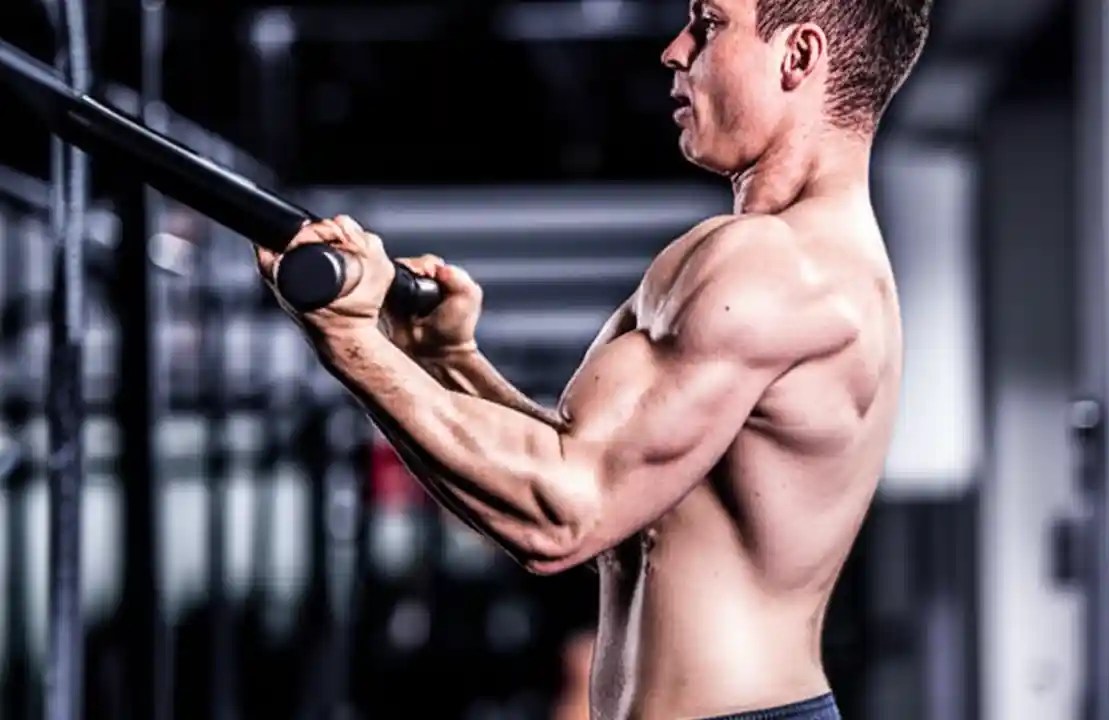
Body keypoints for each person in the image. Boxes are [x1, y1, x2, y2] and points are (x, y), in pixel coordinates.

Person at [256, 0, 930, 717]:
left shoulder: (772, 267)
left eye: (708, 24)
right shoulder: (829, 264)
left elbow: (561, 519)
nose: (675, 51)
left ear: (797, 57)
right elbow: (588, 474)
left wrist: (351, 344)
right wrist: (448, 360)